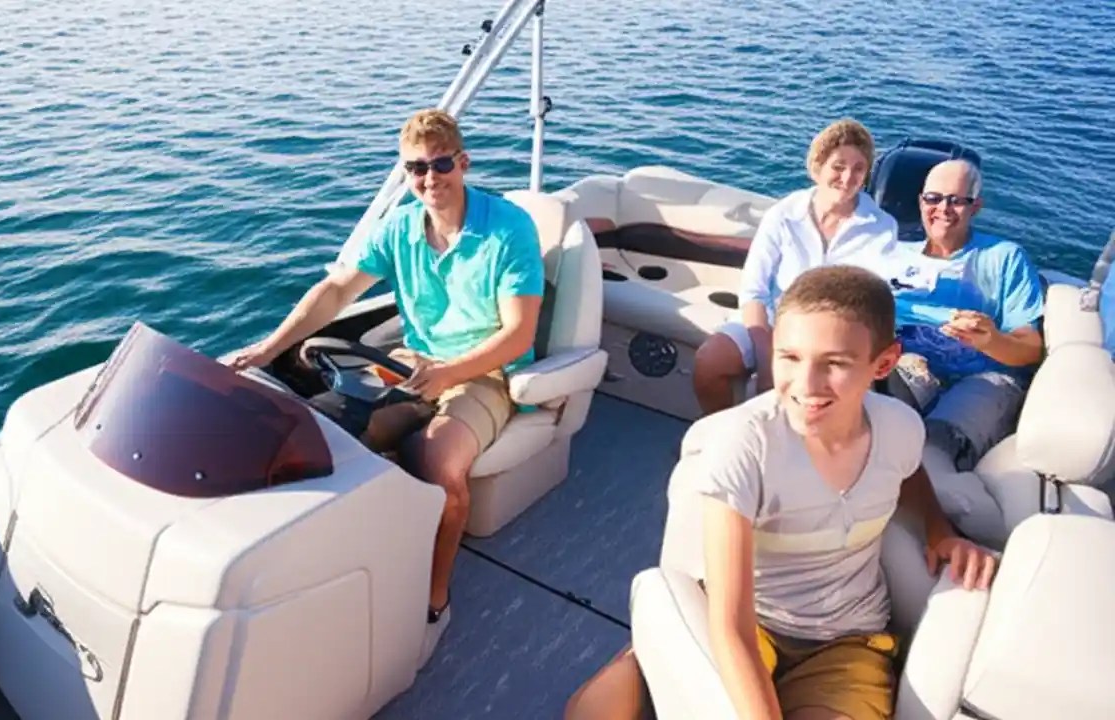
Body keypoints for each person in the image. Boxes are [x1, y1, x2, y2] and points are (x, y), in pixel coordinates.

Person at [566, 265, 997, 720]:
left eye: (834, 363)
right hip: (748, 622)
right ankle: (641, 660)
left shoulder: (900, 428)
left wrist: (938, 528)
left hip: (847, 643)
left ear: (884, 364)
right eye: (789, 357)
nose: (806, 384)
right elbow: (730, 623)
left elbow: (908, 473)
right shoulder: (745, 445)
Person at [227, 108, 544, 655]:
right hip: (412, 360)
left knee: (442, 471)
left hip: (484, 373)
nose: (429, 179)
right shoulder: (398, 227)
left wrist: (448, 372)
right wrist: (269, 347)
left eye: (441, 164)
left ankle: (434, 601)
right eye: (415, 169)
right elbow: (335, 292)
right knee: (320, 439)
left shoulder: (508, 228)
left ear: (463, 162)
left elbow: (517, 335)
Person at [693, 119, 898, 416]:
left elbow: (872, 301)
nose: (847, 176)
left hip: (835, 336)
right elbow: (754, 291)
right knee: (709, 362)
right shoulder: (784, 214)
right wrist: (768, 359)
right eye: (838, 166)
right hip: (774, 322)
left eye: (858, 168)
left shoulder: (881, 227)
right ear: (817, 167)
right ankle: (720, 437)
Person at [881, 159, 1046, 473]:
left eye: (957, 200)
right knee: (867, 423)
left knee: (933, 455)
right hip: (910, 368)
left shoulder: (1005, 258)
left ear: (976, 207)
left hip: (982, 378)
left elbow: (1030, 349)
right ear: (920, 201)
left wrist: (991, 339)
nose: (943, 208)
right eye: (933, 198)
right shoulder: (893, 255)